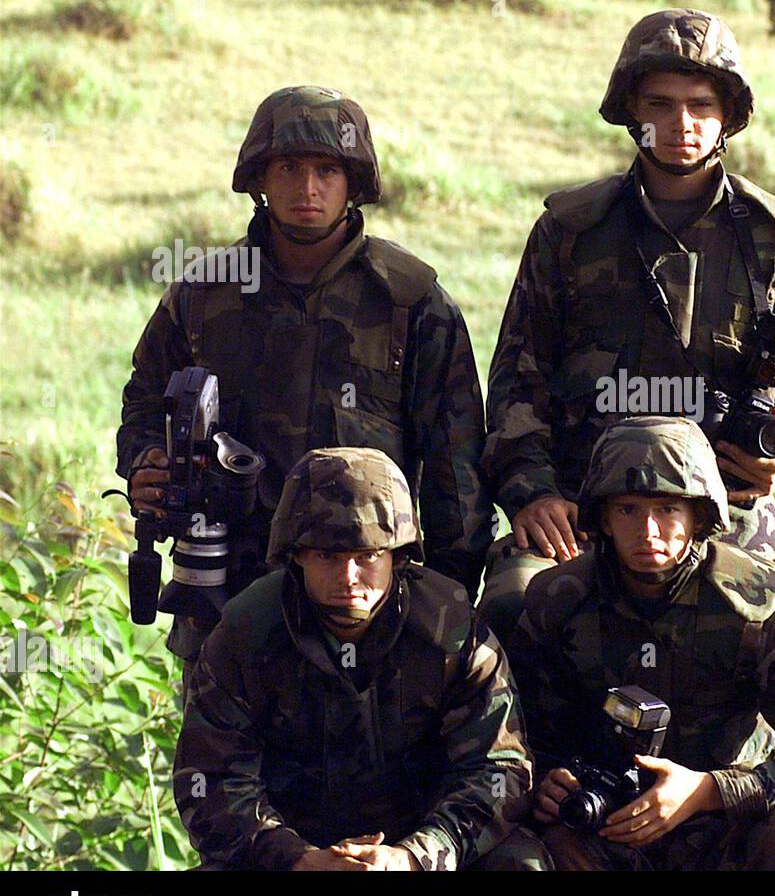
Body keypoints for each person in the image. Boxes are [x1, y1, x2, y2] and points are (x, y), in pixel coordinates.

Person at [479, 9, 775, 640]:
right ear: (632, 112)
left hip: (724, 516)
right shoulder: (570, 232)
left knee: (758, 641)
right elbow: (519, 385)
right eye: (660, 103)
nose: (680, 124)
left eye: (700, 105)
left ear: (726, 117)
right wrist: (534, 493)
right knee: (515, 612)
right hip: (582, 512)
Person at [117, 85, 494, 676]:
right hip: (226, 591)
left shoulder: (410, 301)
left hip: (367, 597)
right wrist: (146, 463)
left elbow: (457, 470)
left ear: (354, 183)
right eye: (289, 168)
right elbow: (145, 404)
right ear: (260, 178)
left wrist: (446, 602)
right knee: (221, 764)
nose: (308, 188)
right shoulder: (204, 294)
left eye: (326, 169)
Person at [509, 416, 775, 871]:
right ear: (601, 516)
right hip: (604, 828)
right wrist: (543, 780)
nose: (649, 531)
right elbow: (503, 742)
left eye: (667, 510)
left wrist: (709, 792)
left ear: (699, 515)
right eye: (628, 510)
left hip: (724, 828)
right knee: (531, 853)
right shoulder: (559, 603)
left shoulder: (752, 606)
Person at [172, 447, 548, 871]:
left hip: (421, 845)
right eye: (327, 557)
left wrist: (414, 856)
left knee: (521, 863)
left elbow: (499, 772)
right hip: (291, 852)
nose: (349, 579)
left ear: (397, 556)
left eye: (367, 556)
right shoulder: (245, 634)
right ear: (296, 555)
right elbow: (210, 782)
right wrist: (299, 859)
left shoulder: (452, 630)